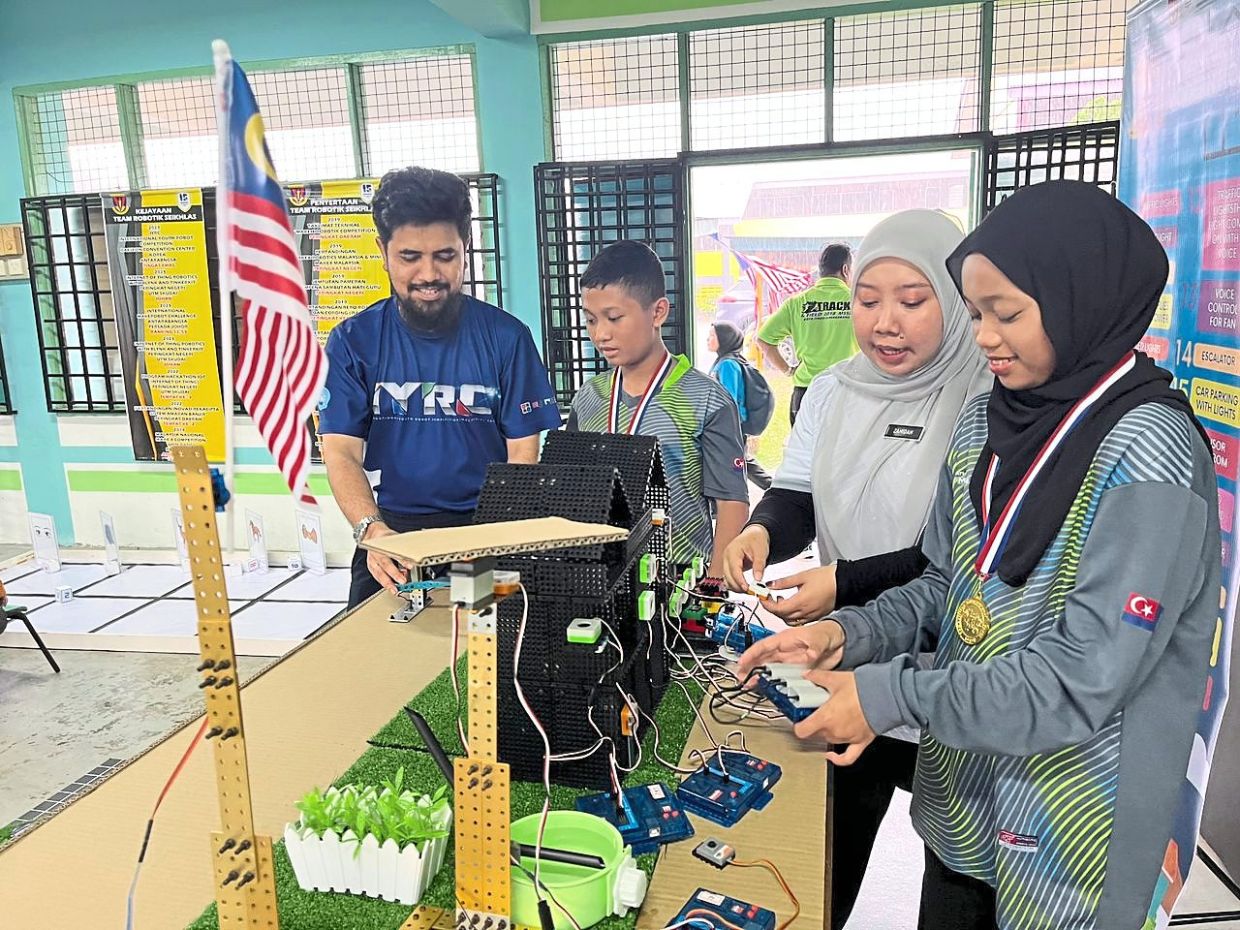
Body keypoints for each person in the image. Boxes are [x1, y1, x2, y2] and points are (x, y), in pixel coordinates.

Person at [738, 181, 1224, 930]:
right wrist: (847, 633)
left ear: (1080, 300)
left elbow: (1079, 680)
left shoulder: (1149, 451)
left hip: (1073, 826)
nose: (987, 337)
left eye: (1009, 314)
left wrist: (889, 693)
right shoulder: (987, 423)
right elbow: (945, 580)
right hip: (968, 793)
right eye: (975, 313)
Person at [723, 209, 991, 928]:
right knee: (828, 853)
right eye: (868, 300)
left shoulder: (988, 400)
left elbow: (956, 556)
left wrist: (842, 583)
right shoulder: (836, 390)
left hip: (950, 675)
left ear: (957, 299)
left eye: (913, 299)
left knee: (957, 873)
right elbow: (798, 493)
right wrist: (759, 532)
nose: (884, 323)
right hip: (849, 657)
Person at [320, 166, 562, 608]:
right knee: (376, 658)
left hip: (486, 531)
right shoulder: (353, 340)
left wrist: (495, 537)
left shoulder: (507, 338)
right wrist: (371, 530)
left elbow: (522, 455)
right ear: (383, 250)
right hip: (389, 535)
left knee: (490, 656)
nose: (428, 274)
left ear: (466, 248)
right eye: (410, 256)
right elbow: (340, 451)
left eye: (445, 256)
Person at [566, 240, 749, 575]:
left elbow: (731, 502)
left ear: (658, 312)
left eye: (614, 317)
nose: (600, 334)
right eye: (591, 320)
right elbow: (574, 491)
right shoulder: (588, 397)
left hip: (680, 576)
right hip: (602, 574)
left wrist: (716, 580)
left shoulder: (707, 399)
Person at [757, 242, 857, 425]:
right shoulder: (859, 302)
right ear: (845, 270)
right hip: (847, 391)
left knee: (803, 452)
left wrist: (788, 369)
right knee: (847, 452)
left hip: (807, 391)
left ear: (821, 270)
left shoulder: (797, 303)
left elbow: (764, 339)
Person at [707, 320, 773, 490]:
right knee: (739, 461)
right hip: (729, 424)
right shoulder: (724, 361)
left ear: (725, 339)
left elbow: (729, 399)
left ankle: (770, 489)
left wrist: (722, 426)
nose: (708, 339)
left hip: (730, 424)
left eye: (712, 335)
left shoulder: (728, 364)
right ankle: (773, 488)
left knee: (734, 463)